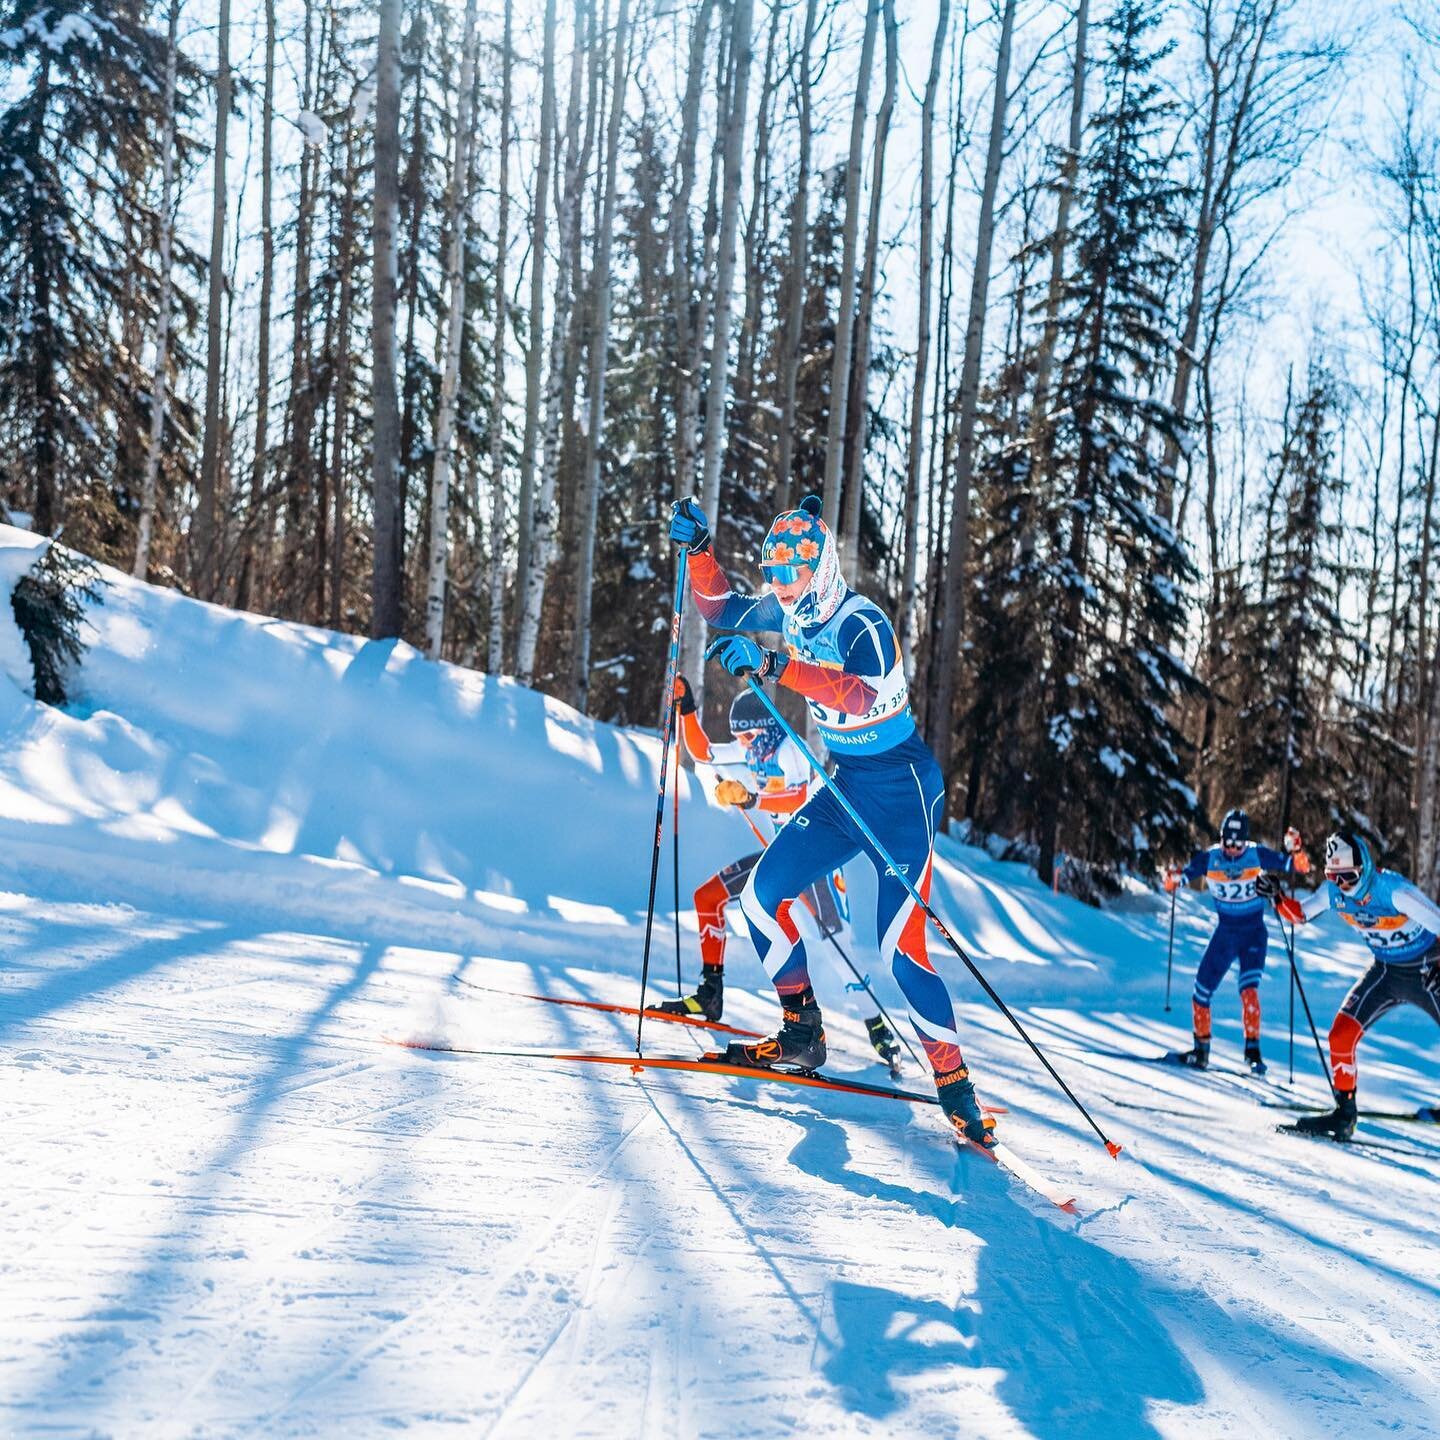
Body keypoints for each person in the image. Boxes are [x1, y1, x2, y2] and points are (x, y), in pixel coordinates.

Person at [667, 492, 995, 1148]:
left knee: (899, 950)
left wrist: (774, 665)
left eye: (792, 573)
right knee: (762, 898)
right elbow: (720, 608)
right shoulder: (785, 609)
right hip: (846, 790)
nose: (780, 588)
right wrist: (701, 555)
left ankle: (955, 1084)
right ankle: (802, 1031)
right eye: (774, 573)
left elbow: (861, 691)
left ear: (820, 569)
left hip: (903, 792)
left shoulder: (861, 620)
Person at [656, 676, 904, 1069]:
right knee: (709, 897)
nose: (744, 745)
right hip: (777, 858)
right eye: (740, 738)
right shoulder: (749, 753)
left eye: (751, 736)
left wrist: (751, 797)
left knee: (838, 952)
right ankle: (709, 993)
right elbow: (703, 753)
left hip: (814, 864)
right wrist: (686, 708)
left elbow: (795, 794)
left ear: (768, 729)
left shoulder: (792, 748)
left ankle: (876, 1026)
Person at [1259, 831, 1440, 1140]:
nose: (1343, 885)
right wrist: (1277, 897)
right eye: (1335, 877)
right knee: (1341, 1035)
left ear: (1365, 867)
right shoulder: (1333, 893)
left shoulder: (1393, 890)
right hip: (1386, 971)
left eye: (1350, 876)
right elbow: (1301, 915)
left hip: (1427, 968)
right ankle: (1344, 1114)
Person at [1163, 809, 1308, 1073]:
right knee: (1201, 992)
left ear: (1245, 841)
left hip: (1253, 933)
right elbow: (1177, 881)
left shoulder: (1256, 854)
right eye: (1226, 842)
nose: (1231, 849)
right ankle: (1201, 1051)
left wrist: (1297, 852)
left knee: (1248, 991)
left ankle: (1253, 1052)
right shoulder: (1210, 857)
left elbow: (1298, 867)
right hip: (1225, 934)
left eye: (1237, 843)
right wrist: (1171, 878)